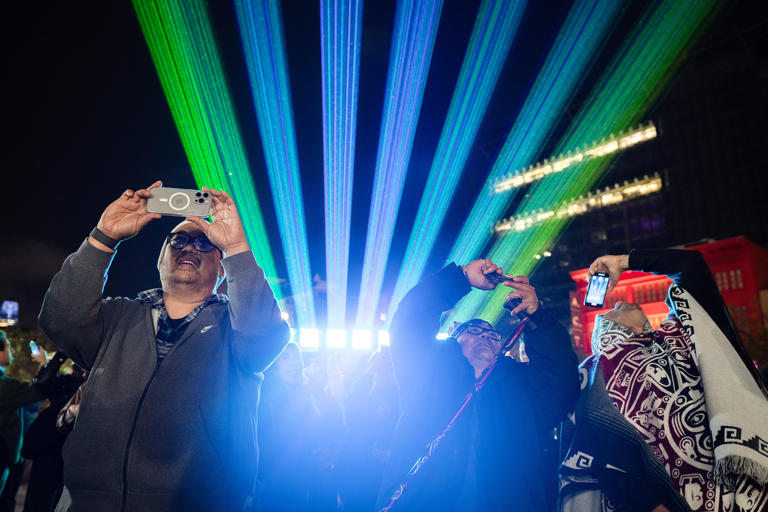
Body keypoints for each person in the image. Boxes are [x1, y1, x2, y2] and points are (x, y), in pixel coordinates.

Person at [38, 182, 290, 511]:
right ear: (160, 260)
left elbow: (266, 337)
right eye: (179, 240)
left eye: (205, 242)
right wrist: (103, 235)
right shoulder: (116, 317)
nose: (189, 248)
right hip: (90, 501)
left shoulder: (235, 329)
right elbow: (60, 319)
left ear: (221, 268)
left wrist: (236, 247)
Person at [559, 249, 768, 512]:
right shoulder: (601, 368)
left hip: (744, 483)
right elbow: (605, 456)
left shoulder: (678, 339)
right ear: (609, 335)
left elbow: (690, 265)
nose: (617, 302)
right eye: (611, 310)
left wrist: (624, 262)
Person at [376, 258, 579, 511]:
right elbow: (410, 319)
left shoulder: (521, 387)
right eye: (474, 331)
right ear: (453, 340)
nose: (485, 337)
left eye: (492, 335)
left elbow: (560, 379)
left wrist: (537, 319)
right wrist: (462, 278)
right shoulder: (426, 373)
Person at [255, 342, 343, 512]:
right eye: (285, 358)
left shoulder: (316, 395)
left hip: (315, 486)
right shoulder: (264, 400)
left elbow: (336, 429)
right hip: (280, 489)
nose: (294, 363)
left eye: (297, 357)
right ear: (274, 366)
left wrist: (330, 452)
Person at [0, 331, 47, 496]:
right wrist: (44, 363)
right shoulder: (4, 386)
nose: (12, 351)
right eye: (8, 347)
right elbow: (37, 392)